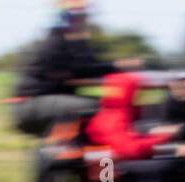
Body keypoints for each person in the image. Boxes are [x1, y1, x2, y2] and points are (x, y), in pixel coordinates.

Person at [11, 1, 113, 137]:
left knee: (108, 105)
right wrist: (116, 69)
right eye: (81, 14)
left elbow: (89, 68)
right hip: (32, 103)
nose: (85, 19)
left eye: (85, 14)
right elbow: (76, 73)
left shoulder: (74, 41)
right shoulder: (57, 41)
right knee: (104, 108)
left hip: (43, 100)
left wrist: (117, 68)